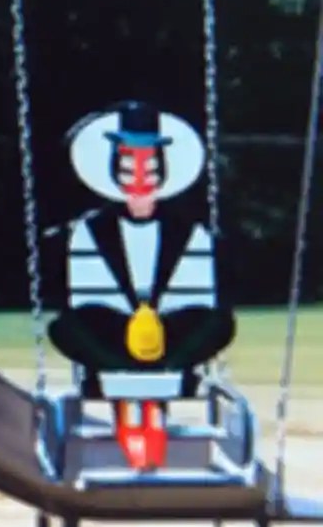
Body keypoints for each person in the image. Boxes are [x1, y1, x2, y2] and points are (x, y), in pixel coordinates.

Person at [46, 100, 236, 471]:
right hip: (113, 336)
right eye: (127, 168)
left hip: (171, 339)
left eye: (149, 169)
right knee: (66, 327)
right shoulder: (90, 231)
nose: (138, 181)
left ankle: (157, 391)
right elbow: (86, 291)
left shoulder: (187, 231)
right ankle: (126, 389)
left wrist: (160, 321)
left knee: (218, 323)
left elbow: (199, 289)